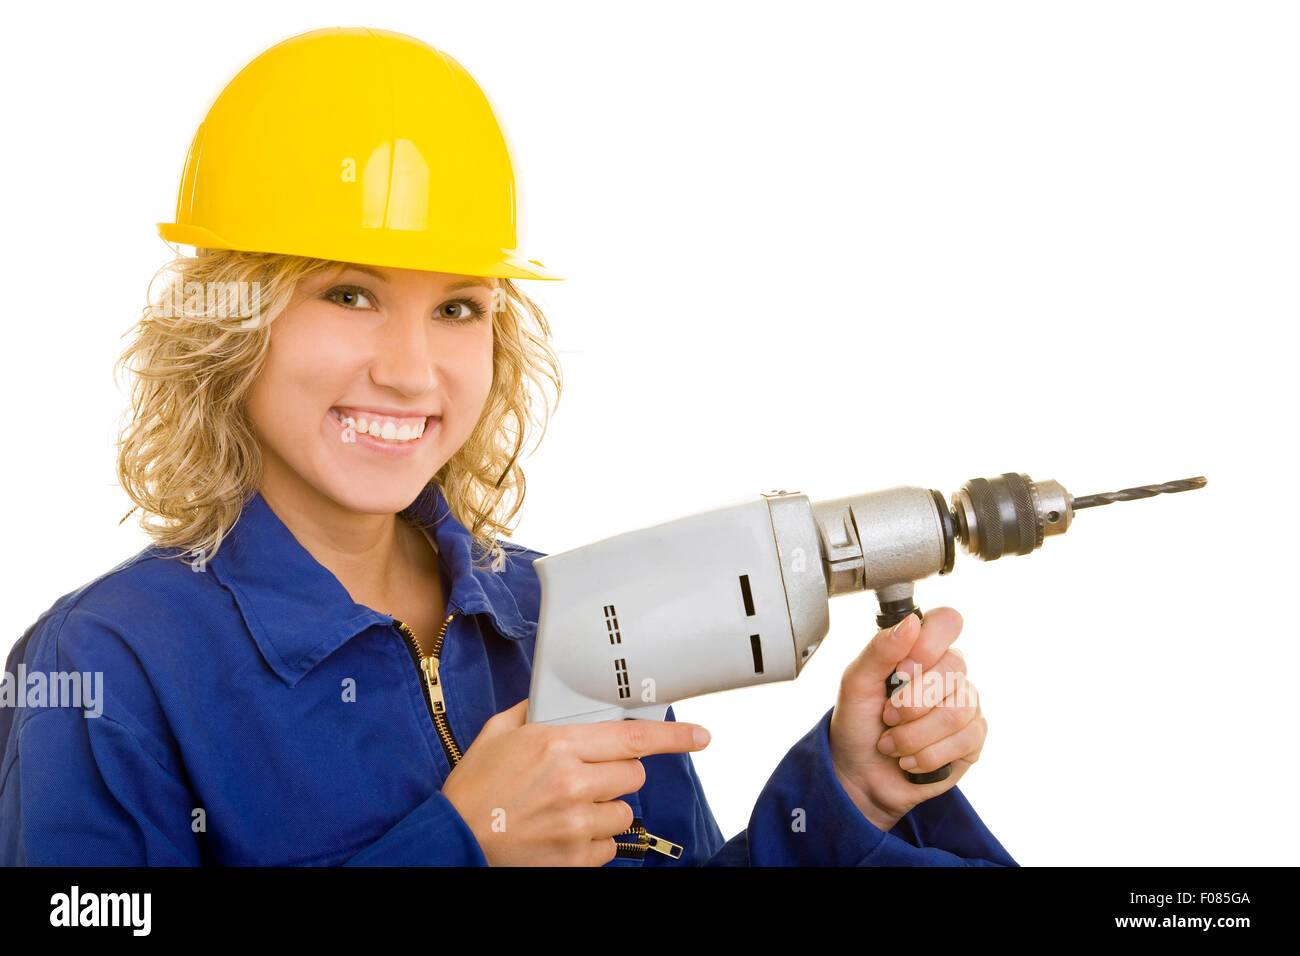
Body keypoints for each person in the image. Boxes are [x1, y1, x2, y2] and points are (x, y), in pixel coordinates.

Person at [0, 26, 1015, 866]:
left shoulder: (561, 613)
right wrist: (459, 839)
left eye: (457, 307)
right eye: (349, 293)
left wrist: (848, 792)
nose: (411, 369)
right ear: (229, 318)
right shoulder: (111, 665)